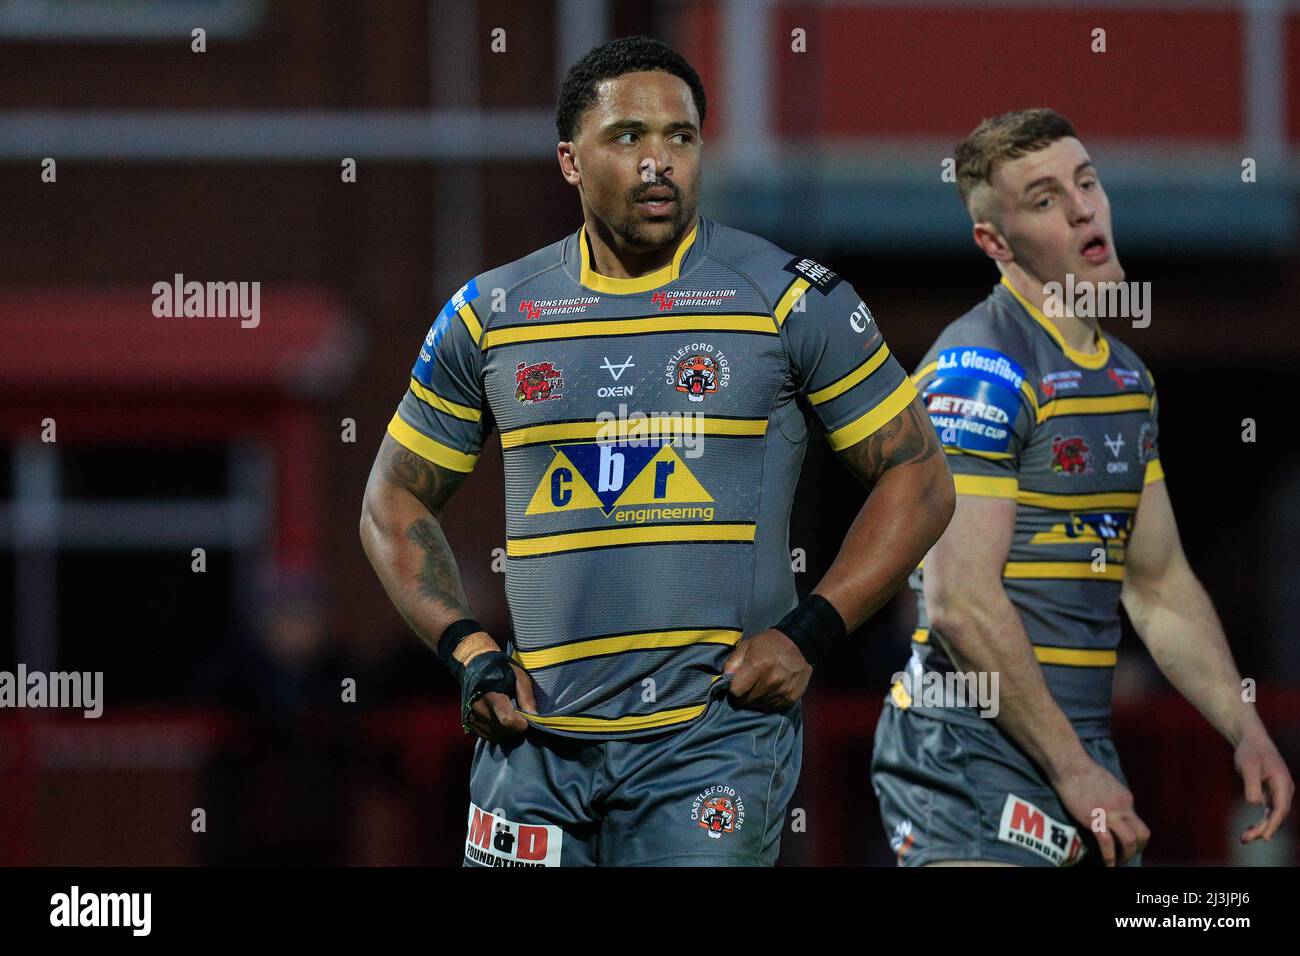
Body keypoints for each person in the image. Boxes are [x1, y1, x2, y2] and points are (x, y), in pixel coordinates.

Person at [361, 35, 953, 867]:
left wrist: (808, 633)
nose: (659, 162)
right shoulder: (489, 313)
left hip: (711, 745)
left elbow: (919, 476)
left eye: (681, 137)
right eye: (628, 137)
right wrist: (468, 652)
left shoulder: (786, 299)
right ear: (569, 160)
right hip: (534, 747)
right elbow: (393, 498)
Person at [871, 108, 1294, 867]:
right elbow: (961, 603)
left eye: (1087, 182)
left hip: (1075, 752)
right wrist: (1075, 770)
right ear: (995, 244)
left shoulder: (1128, 379)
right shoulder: (980, 370)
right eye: (1043, 199)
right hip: (966, 756)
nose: (1082, 207)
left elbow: (1158, 585)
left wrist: (1245, 728)